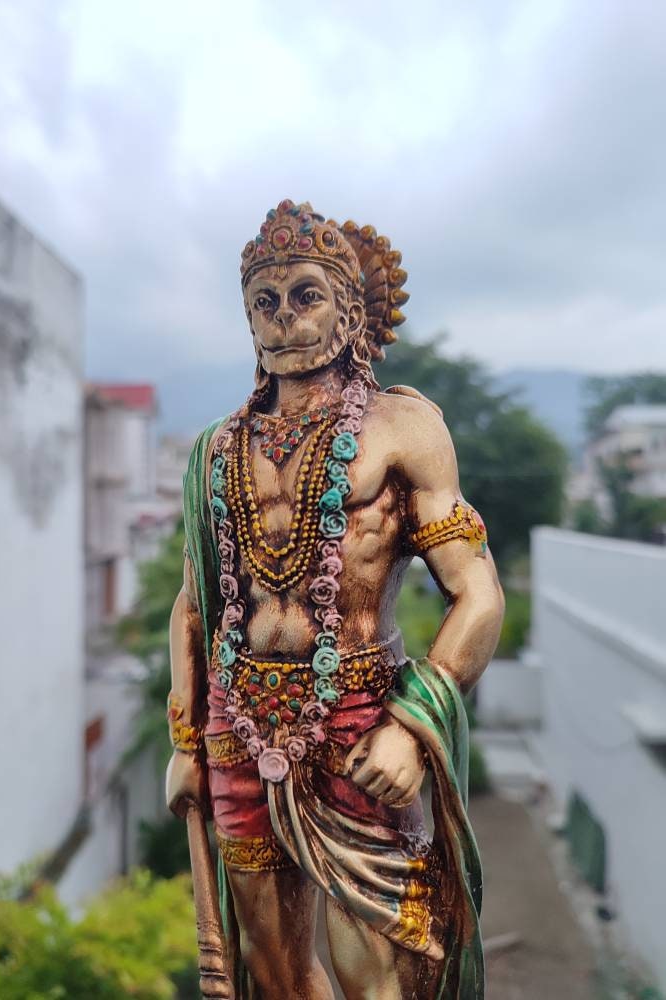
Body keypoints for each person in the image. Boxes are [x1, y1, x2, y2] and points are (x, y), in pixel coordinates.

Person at [166, 200, 505, 999]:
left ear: (349, 309)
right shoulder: (217, 448)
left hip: (357, 719)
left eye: (306, 296)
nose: (285, 319)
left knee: (386, 975)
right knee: (271, 970)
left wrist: (412, 730)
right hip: (236, 728)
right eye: (265, 302)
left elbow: (477, 594)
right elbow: (194, 605)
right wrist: (186, 735)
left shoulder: (403, 427)